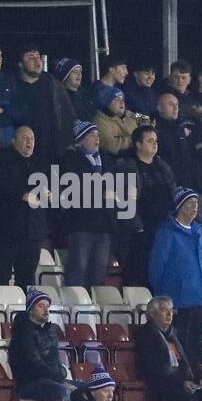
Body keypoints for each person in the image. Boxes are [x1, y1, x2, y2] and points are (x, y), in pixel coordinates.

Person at [149, 187, 202, 364]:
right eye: (190, 203)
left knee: (195, 351)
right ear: (180, 206)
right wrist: (164, 297)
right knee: (180, 350)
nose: (195, 207)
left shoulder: (198, 233)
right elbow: (157, 266)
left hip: (199, 299)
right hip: (178, 302)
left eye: (197, 203)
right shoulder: (167, 233)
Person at [0, 125, 48, 289]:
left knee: (27, 280)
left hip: (33, 232)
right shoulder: (1, 158)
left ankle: (26, 314)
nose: (29, 142)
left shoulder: (39, 162)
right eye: (25, 138)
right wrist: (23, 194)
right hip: (6, 231)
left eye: (32, 139)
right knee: (0, 276)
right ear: (14, 141)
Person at [58, 120, 118, 287]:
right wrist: (101, 193)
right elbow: (72, 188)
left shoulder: (105, 159)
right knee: (78, 269)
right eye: (92, 135)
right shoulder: (70, 160)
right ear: (81, 139)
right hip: (81, 224)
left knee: (98, 272)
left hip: (103, 225)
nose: (96, 138)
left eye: (97, 135)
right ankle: (75, 306)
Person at [118, 125, 177, 286]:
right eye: (150, 141)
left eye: (156, 141)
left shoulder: (162, 165)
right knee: (139, 271)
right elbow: (125, 201)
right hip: (140, 231)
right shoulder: (128, 166)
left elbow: (172, 192)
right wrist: (138, 228)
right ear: (138, 144)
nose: (155, 144)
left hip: (163, 227)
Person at [134, 296, 202, 401]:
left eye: (171, 310)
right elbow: (153, 368)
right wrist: (181, 383)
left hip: (185, 382)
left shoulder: (177, 333)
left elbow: (191, 359)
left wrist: (200, 379)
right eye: (164, 310)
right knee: (187, 397)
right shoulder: (145, 335)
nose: (169, 314)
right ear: (152, 314)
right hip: (164, 385)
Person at [6, 41, 77, 161]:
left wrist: (68, 146)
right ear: (20, 64)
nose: (37, 61)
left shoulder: (53, 85)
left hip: (52, 153)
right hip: (22, 154)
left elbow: (67, 116)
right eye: (30, 57)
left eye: (38, 57)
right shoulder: (11, 87)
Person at [7, 288, 73, 401]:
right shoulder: (22, 333)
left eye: (47, 306)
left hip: (51, 380)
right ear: (31, 309)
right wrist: (58, 379)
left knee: (87, 389)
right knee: (64, 391)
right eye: (41, 306)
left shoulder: (50, 331)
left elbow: (55, 358)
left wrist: (61, 375)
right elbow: (33, 364)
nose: (46, 310)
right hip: (29, 383)